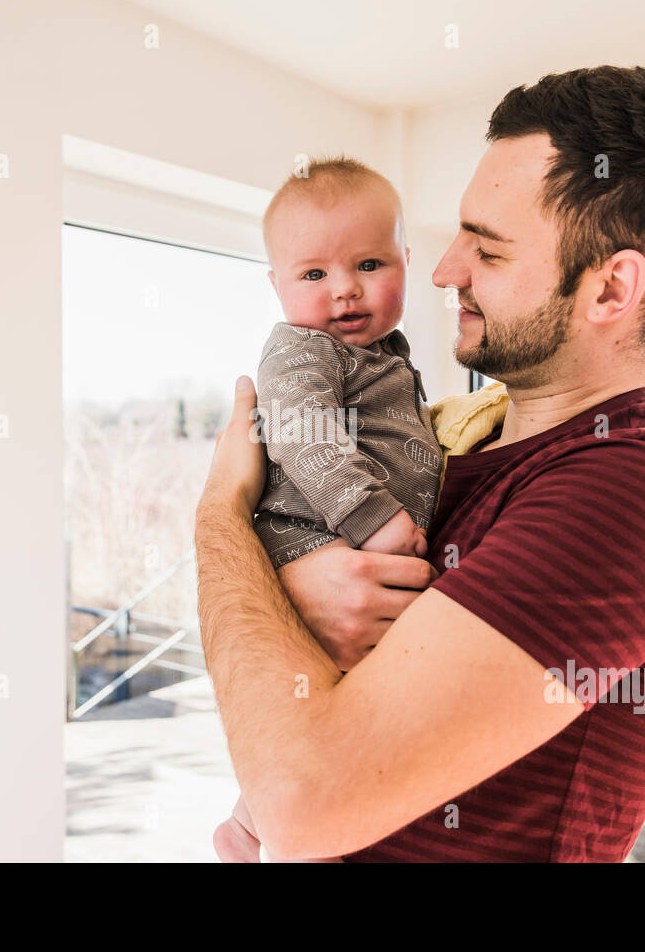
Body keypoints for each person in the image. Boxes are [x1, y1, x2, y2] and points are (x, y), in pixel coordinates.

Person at [198, 65, 645, 862]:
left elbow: (305, 803)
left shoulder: (639, 495)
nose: (442, 270)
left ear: (610, 289)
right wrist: (292, 589)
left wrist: (219, 515)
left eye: (487, 249)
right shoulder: (448, 445)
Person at [219, 156, 443, 862]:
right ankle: (279, 834)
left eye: (370, 263)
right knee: (318, 718)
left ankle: (256, 824)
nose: (345, 288)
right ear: (277, 285)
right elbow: (299, 430)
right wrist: (370, 515)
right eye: (314, 273)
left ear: (407, 262)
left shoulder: (390, 356)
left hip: (351, 552)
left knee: (336, 716)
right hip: (307, 539)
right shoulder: (301, 350)